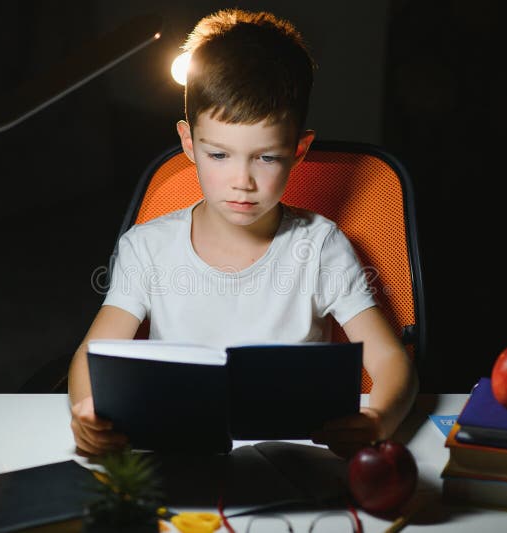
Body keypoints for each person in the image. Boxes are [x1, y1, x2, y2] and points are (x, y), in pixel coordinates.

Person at [68, 9, 418, 459]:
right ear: (188, 144)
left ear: (299, 151)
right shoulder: (148, 247)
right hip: (175, 456)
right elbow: (92, 355)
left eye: (267, 158)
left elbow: (392, 362)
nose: (242, 181)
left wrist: (379, 417)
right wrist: (85, 412)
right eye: (219, 155)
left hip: (293, 457)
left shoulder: (320, 247)